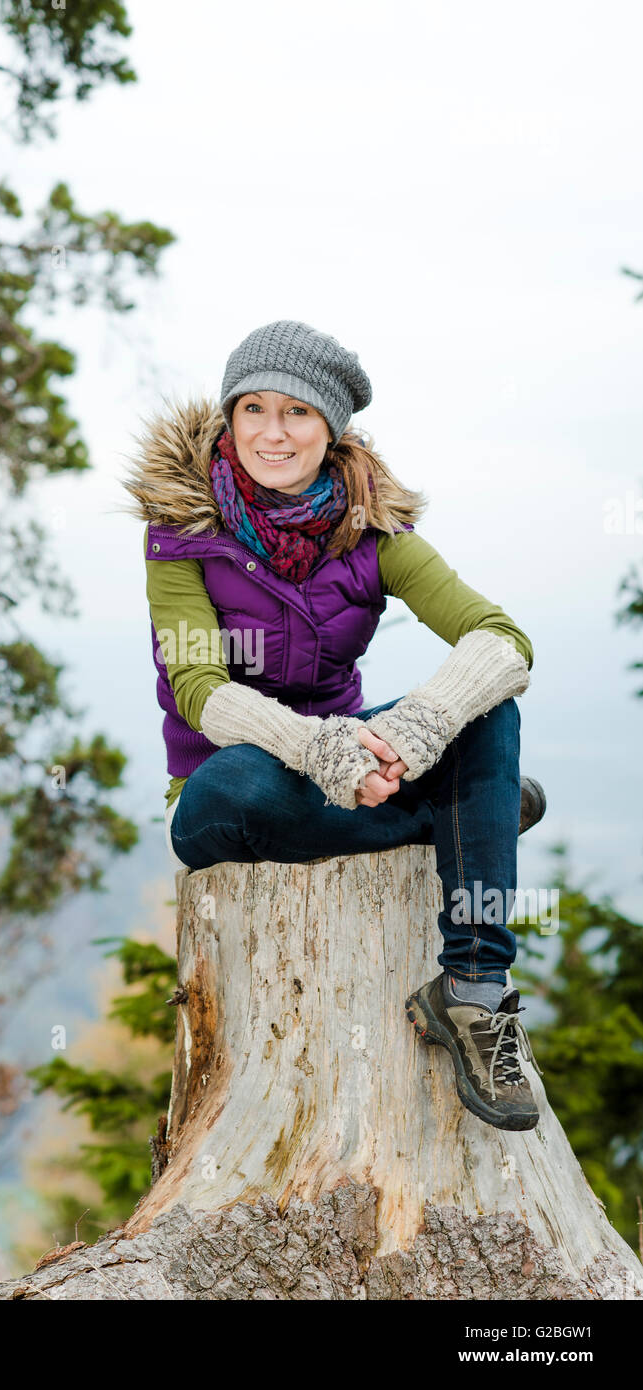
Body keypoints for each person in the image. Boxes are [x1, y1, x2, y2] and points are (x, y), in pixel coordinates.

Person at [120, 319, 546, 1133]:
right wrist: (317, 747)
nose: (270, 433)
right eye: (252, 409)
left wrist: (421, 724)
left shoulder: (374, 532)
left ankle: (473, 991)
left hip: (357, 760)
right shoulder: (178, 531)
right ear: (227, 417)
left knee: (487, 708)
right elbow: (200, 688)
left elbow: (502, 639)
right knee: (241, 787)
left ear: (331, 429)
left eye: (296, 413)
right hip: (235, 779)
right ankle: (451, 811)